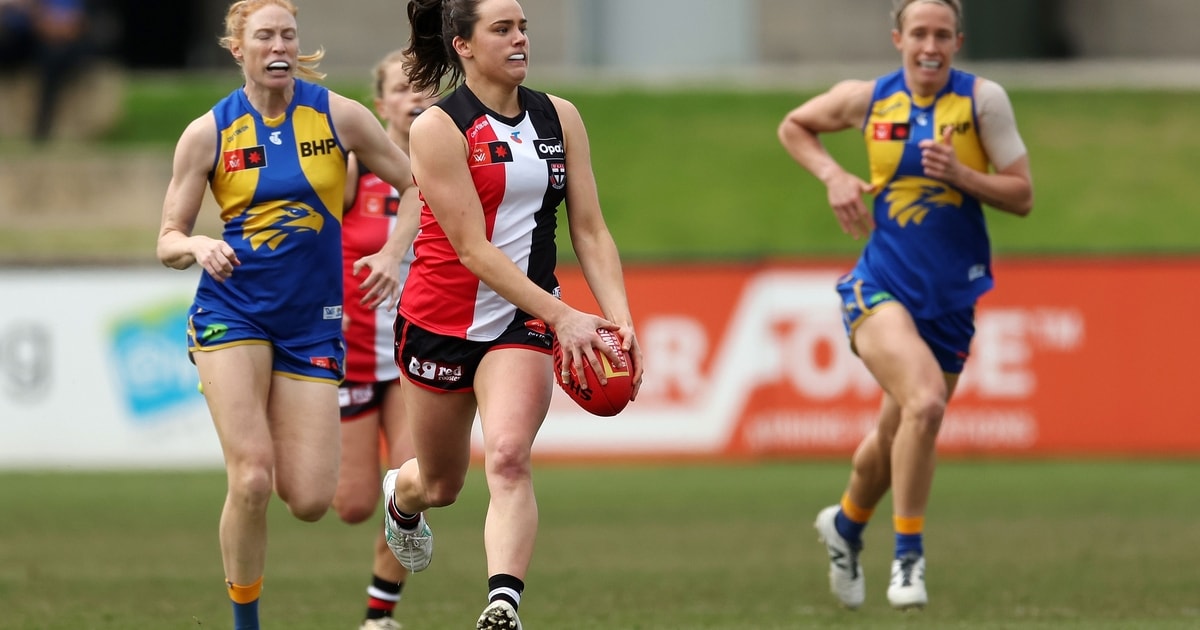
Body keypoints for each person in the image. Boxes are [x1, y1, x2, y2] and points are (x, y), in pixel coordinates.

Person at [380, 1, 644, 628]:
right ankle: (403, 497)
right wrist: (566, 316)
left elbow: (590, 228)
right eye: (503, 28)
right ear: (464, 44)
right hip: (439, 323)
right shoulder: (438, 128)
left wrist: (619, 319)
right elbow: (472, 249)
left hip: (519, 324)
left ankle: (503, 603)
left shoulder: (560, 117)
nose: (520, 38)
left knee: (506, 457)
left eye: (523, 26)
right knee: (441, 485)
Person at [155, 2, 415, 629]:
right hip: (232, 312)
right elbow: (167, 237)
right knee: (250, 478)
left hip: (313, 323)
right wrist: (196, 245)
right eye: (264, 35)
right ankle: (247, 624)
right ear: (237, 47)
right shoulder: (209, 132)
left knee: (308, 499)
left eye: (288, 34)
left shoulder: (339, 117)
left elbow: (415, 187)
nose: (279, 44)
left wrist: (390, 250)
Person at [777, 0, 1033, 612]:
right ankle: (908, 556)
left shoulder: (982, 103)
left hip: (951, 296)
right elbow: (795, 126)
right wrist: (833, 177)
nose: (930, 45)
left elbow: (1022, 195)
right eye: (919, 32)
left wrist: (963, 176)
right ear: (898, 38)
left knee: (899, 429)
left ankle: (844, 524)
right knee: (925, 403)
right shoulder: (868, 99)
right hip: (879, 284)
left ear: (957, 42)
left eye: (942, 34)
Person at [333, 50, 437, 630]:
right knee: (352, 505)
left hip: (414, 356)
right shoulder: (352, 171)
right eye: (402, 88)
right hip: (347, 356)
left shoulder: (451, 166)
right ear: (381, 105)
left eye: (423, 85)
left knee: (411, 486)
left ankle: (379, 617)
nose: (414, 96)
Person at [0, 0, 89, 143]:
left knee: (54, 58)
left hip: (53, 44)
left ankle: (42, 127)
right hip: (19, 39)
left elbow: (72, 25)